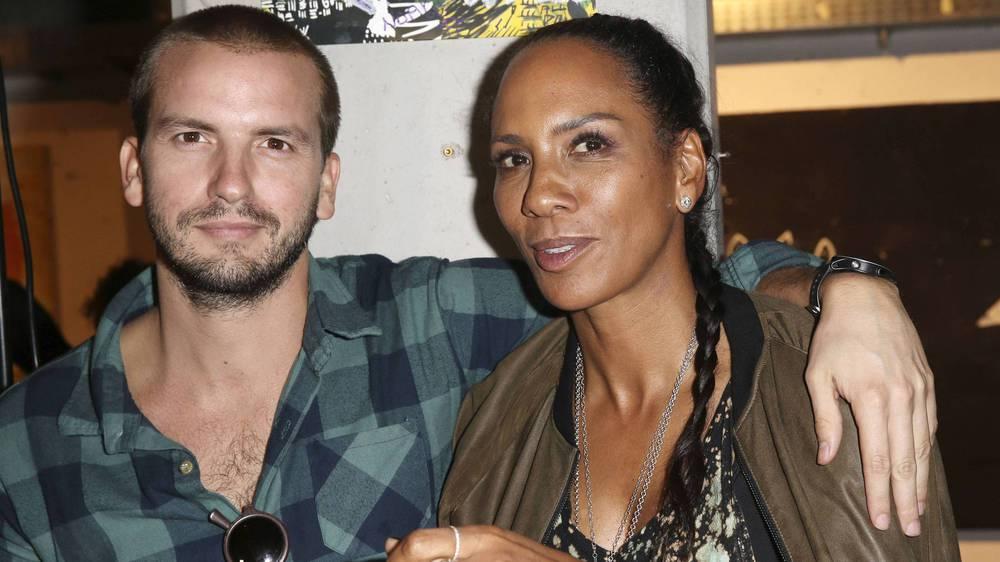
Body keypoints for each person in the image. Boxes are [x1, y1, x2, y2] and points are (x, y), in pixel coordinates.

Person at [0, 6, 938, 561]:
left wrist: (849, 287)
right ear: (134, 168)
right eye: (191, 137)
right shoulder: (23, 447)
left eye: (275, 143)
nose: (232, 185)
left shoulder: (433, 326)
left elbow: (673, 283)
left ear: (327, 182)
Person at [386, 15, 958, 562]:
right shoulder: (498, 421)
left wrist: (857, 283)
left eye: (588, 145)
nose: (538, 195)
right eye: (514, 159)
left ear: (685, 168)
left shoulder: (831, 382)